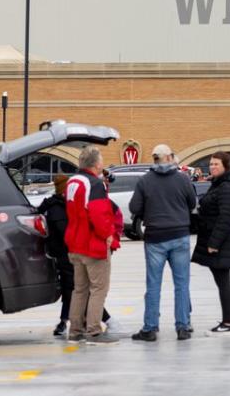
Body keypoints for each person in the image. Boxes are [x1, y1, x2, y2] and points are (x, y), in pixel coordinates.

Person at [129, 144, 198, 342]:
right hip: (179, 235)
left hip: (155, 238)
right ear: (169, 157)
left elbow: (135, 207)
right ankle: (183, 326)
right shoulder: (182, 179)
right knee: (182, 283)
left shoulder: (145, 181)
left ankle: (150, 328)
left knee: (153, 285)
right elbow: (192, 203)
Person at [40, 175, 116, 338]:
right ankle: (95, 326)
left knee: (77, 290)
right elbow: (65, 231)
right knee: (87, 290)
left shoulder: (57, 206)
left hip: (69, 252)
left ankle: (70, 324)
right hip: (67, 253)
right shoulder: (58, 208)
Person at [64, 146, 120, 343]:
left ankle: (75, 330)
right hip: (92, 245)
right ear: (97, 164)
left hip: (75, 243)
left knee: (79, 289)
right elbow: (98, 213)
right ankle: (94, 331)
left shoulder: (73, 181)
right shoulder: (94, 184)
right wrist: (108, 235)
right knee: (98, 289)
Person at [193, 151, 230, 332]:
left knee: (224, 282)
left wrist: (214, 243)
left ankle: (228, 323)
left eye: (216, 164)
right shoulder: (219, 184)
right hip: (219, 242)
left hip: (223, 244)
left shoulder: (227, 187)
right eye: (211, 164)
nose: (212, 167)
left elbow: (226, 217)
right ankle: (227, 321)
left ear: (225, 166)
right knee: (222, 281)